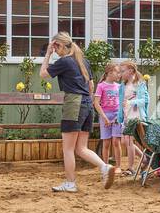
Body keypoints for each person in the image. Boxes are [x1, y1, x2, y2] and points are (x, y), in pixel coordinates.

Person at [40, 31, 118, 193]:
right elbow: (91, 85)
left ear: (60, 45)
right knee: (80, 148)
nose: (55, 50)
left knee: (68, 148)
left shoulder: (65, 61)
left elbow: (43, 74)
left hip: (74, 103)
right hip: (87, 104)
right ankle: (105, 166)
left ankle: (70, 183)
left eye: (55, 47)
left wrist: (48, 55)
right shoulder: (83, 60)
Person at [93, 61, 127, 170]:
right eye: (117, 72)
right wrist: (104, 118)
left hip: (117, 116)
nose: (119, 75)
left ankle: (118, 167)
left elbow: (123, 103)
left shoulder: (119, 86)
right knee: (106, 142)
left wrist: (119, 115)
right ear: (110, 72)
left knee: (116, 142)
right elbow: (96, 103)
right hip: (105, 116)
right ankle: (105, 167)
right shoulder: (101, 86)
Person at [118, 61, 150, 175]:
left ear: (131, 70)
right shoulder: (123, 85)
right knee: (124, 141)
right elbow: (121, 103)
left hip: (136, 116)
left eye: (122, 71)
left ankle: (130, 168)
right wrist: (120, 117)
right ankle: (145, 158)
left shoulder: (139, 84)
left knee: (128, 140)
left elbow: (144, 101)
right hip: (127, 116)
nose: (120, 74)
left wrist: (130, 102)